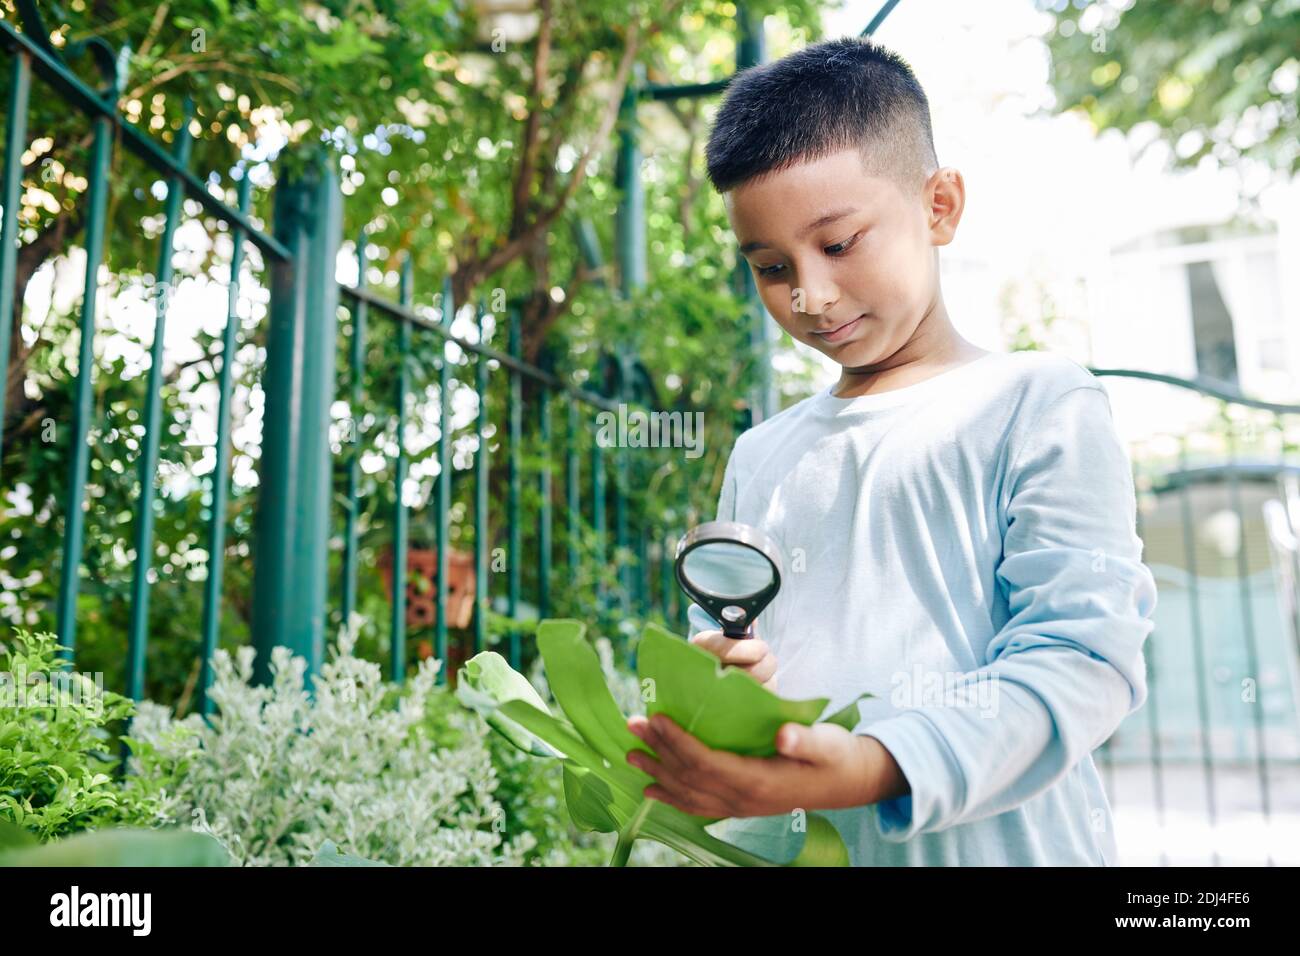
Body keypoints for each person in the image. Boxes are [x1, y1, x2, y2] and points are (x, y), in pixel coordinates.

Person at [624, 35, 1158, 866]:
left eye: (838, 244)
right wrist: (724, 684)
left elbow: (1081, 663)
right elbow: (727, 650)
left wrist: (873, 767)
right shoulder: (761, 456)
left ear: (939, 205)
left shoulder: (1040, 405)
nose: (809, 292)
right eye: (770, 266)